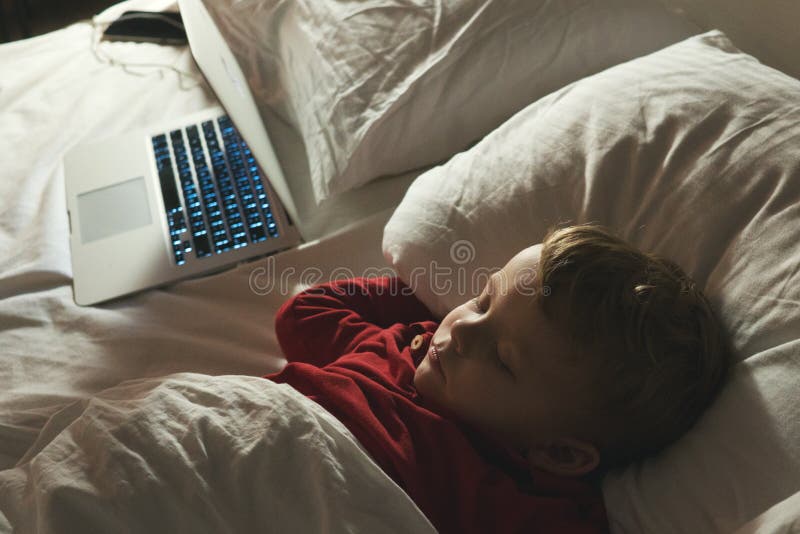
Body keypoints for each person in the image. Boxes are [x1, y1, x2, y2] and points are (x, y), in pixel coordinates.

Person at [264, 223, 732, 534]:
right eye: (483, 300)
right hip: (262, 429)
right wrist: (420, 302)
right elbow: (304, 314)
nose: (463, 329)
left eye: (504, 361)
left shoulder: (519, 500)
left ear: (560, 452)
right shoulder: (410, 345)